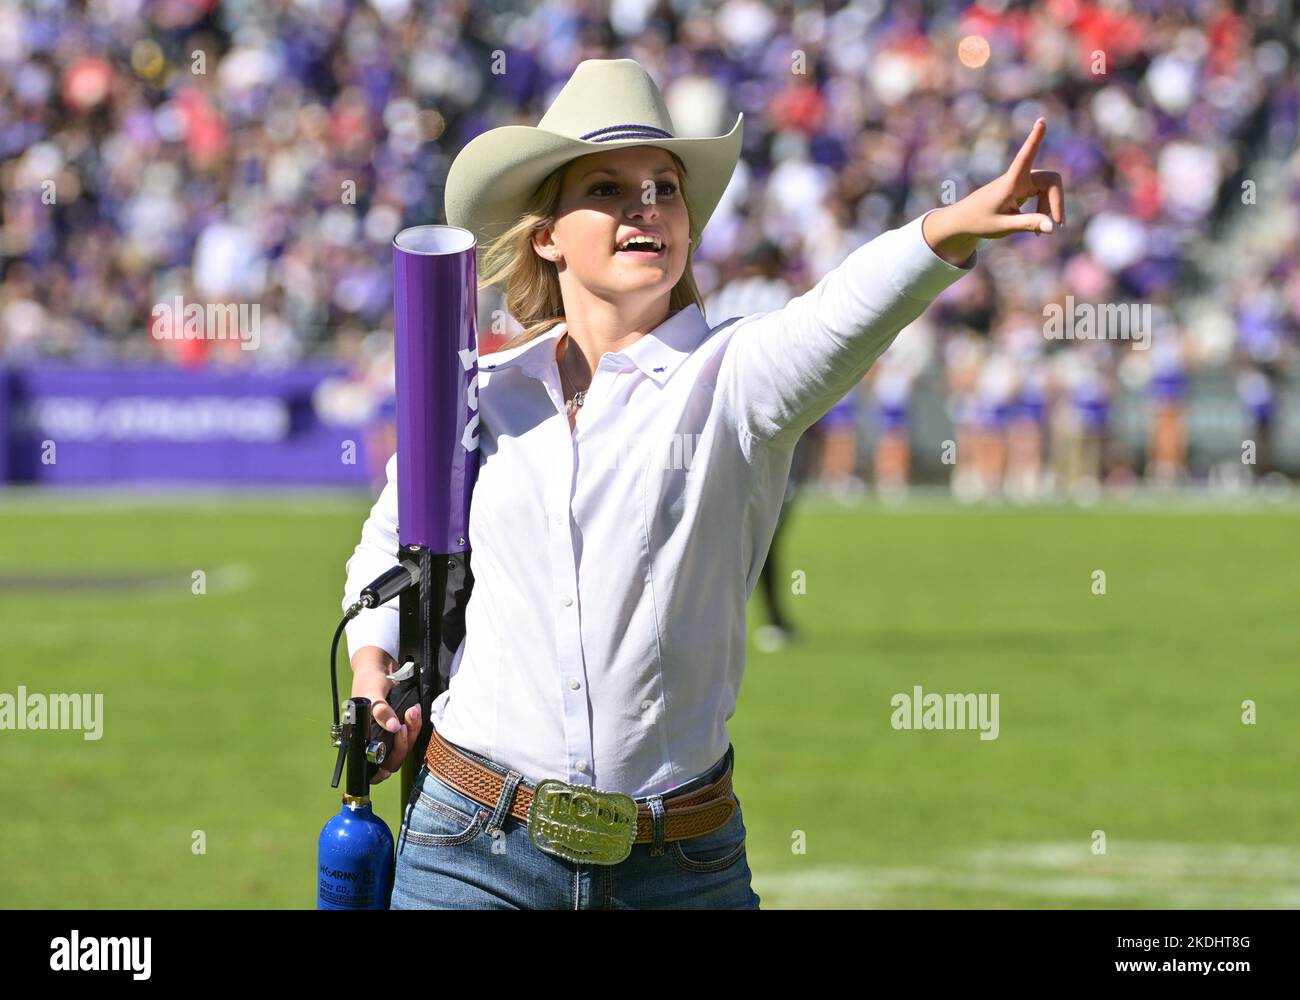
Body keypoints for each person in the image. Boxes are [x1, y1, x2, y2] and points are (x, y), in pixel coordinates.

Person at [340, 58, 1064, 909]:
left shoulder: (736, 379)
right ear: (547, 234)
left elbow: (839, 317)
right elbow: (390, 548)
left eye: (664, 189)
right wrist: (372, 671)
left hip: (678, 864)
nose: (644, 208)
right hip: (470, 842)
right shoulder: (483, 394)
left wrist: (948, 231)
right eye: (607, 190)